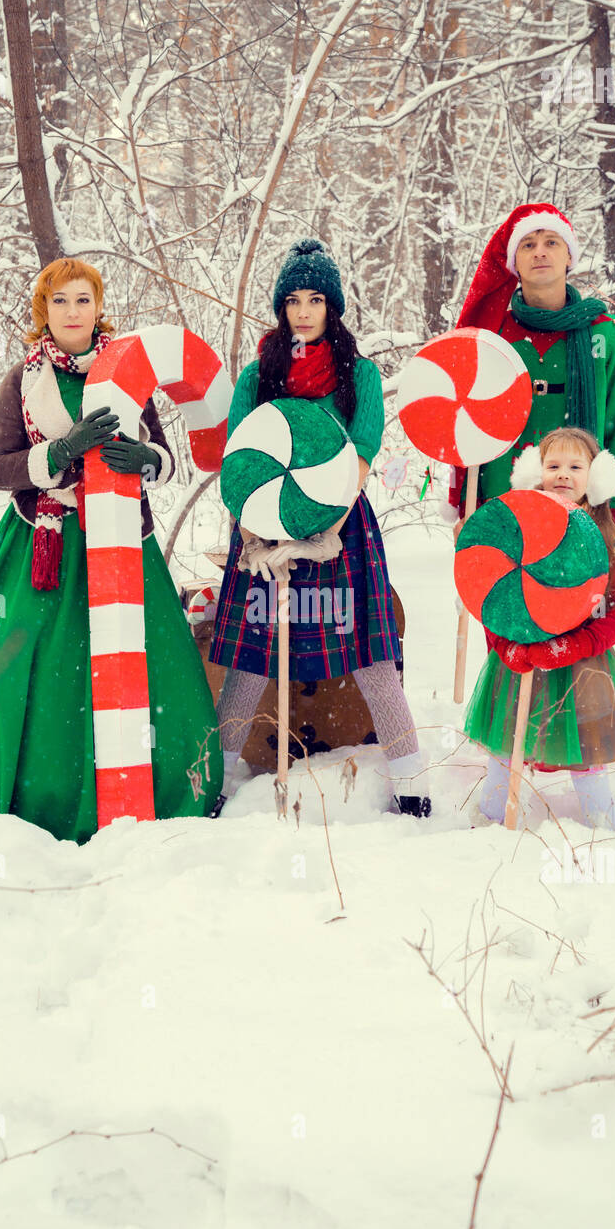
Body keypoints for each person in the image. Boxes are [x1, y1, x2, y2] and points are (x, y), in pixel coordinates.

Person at [0, 257, 222, 850]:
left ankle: (158, 790)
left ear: (99, 306)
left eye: (83, 300)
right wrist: (60, 453)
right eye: (60, 301)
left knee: (148, 668)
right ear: (44, 310)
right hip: (43, 544)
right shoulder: (22, 380)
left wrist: (147, 462)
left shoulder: (128, 370)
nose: (72, 312)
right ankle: (28, 802)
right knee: (12, 676)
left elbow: (165, 458)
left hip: (124, 548)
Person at [209, 237, 430, 816]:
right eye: (292, 301)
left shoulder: (358, 375)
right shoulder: (258, 376)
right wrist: (257, 534)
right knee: (248, 660)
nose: (303, 311)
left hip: (342, 532)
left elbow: (362, 453)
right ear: (280, 308)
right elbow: (241, 460)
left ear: (332, 307)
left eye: (315, 299)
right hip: (263, 527)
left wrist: (320, 527)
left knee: (372, 656)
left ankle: (412, 788)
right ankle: (218, 789)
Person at [463, 426, 615, 829]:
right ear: (536, 472)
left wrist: (576, 646)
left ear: (595, 476)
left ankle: (604, 827)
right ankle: (493, 823)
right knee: (505, 747)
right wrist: (503, 646)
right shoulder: (514, 533)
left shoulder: (605, 540)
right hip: (518, 665)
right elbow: (488, 595)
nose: (563, 474)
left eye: (575, 466)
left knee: (586, 752)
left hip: (582, 669)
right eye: (553, 465)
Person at [444, 203, 615, 551]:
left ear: (569, 256)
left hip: (582, 506)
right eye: (528, 245)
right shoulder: (491, 333)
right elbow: (462, 424)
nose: (540, 252)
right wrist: (467, 505)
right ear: (513, 263)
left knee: (578, 602)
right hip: (499, 503)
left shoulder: (607, 334)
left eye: (551, 242)